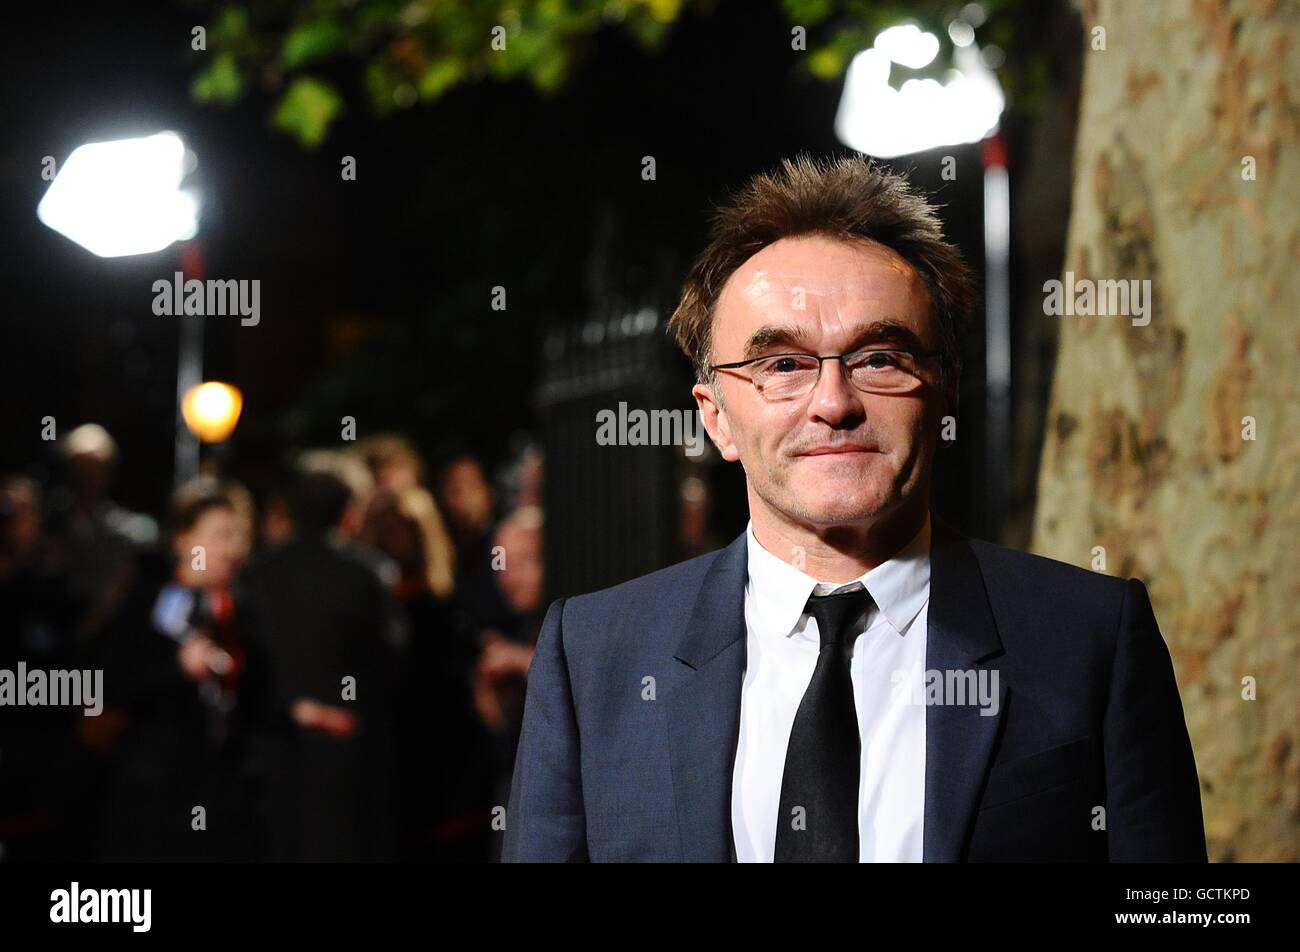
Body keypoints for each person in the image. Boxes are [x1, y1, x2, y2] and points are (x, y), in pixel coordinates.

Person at [502, 153, 1207, 863]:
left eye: (878, 357)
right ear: (714, 417)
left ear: (946, 388)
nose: (834, 403)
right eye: (782, 365)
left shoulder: (1089, 639)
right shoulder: (594, 658)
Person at [95, 478, 275, 861]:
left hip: (225, 796)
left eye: (238, 535)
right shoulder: (147, 601)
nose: (231, 549)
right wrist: (176, 668)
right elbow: (109, 684)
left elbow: (263, 692)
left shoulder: (243, 605)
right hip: (156, 798)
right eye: (219, 535)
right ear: (182, 538)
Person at [244, 466, 401, 861]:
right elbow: (392, 659)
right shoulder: (368, 572)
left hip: (276, 750)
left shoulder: (258, 573)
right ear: (348, 512)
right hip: (349, 755)